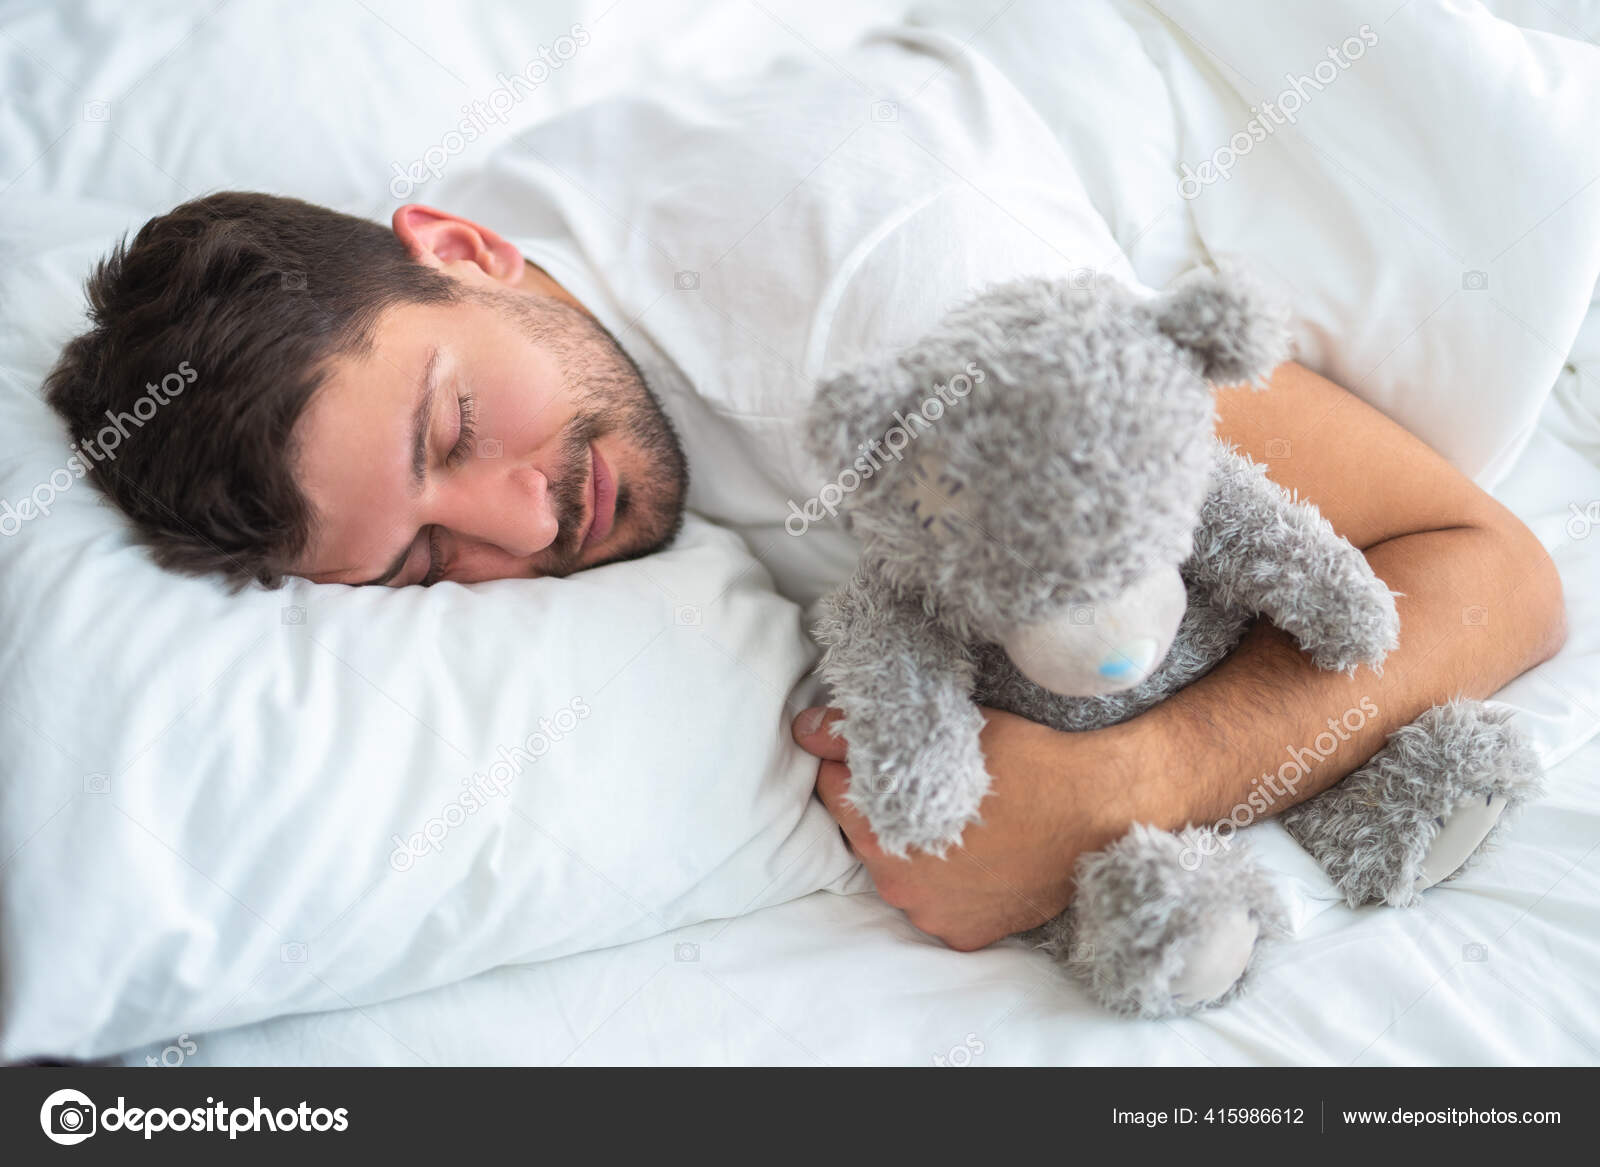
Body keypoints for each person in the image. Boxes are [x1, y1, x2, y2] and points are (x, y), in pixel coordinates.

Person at [43, 27, 1564, 953]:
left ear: (464, 246)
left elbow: (1487, 563)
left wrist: (1133, 791)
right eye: (423, 564)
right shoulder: (500, 318)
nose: (518, 525)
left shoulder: (906, 297)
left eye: (452, 436)